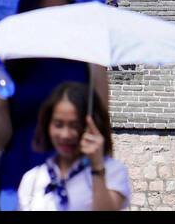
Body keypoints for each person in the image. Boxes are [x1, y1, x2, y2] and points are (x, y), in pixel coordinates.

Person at [0, 0, 110, 212]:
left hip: (72, 174)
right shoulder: (9, 59)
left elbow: (101, 120)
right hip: (17, 173)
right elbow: (0, 139)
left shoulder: (86, 56)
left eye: (60, 15)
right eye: (43, 15)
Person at [18, 82, 129, 212]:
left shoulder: (112, 171)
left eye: (74, 126)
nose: (65, 135)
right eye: (58, 125)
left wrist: (97, 168)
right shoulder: (33, 178)